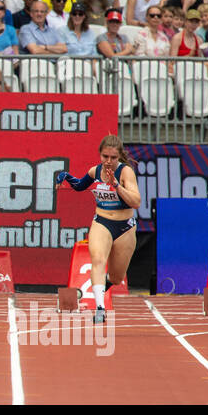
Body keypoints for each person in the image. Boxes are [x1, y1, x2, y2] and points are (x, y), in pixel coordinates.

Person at [55, 135, 142, 324]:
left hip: (124, 227)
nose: (109, 162)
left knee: (117, 277)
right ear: (100, 155)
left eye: (113, 158)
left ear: (119, 157)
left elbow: (136, 202)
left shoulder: (125, 172)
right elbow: (79, 186)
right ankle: (100, 308)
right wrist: (65, 176)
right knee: (98, 260)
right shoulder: (95, 171)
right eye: (105, 157)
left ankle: (104, 287)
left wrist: (116, 186)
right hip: (102, 221)